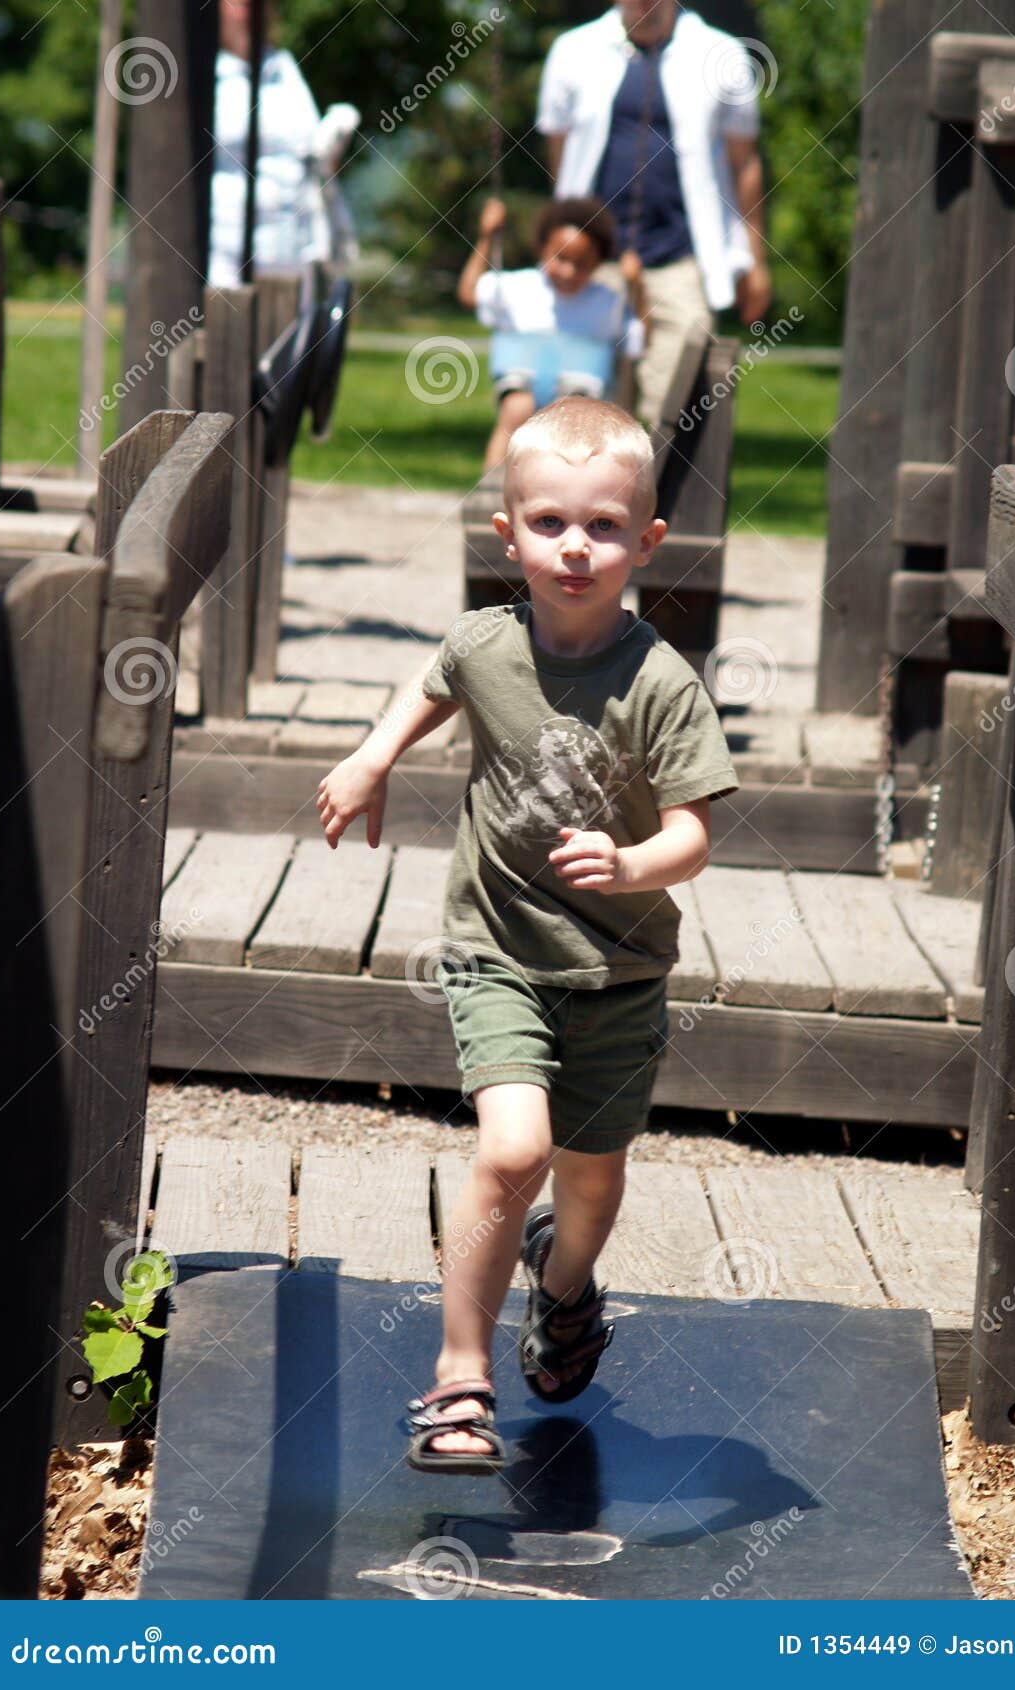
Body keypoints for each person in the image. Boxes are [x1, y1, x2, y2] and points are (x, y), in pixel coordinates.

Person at [314, 397, 738, 1472]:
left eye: (603, 527)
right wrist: (373, 757)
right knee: (513, 1151)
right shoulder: (488, 643)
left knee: (591, 1179)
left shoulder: (660, 681)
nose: (576, 547)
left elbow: (694, 830)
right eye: (549, 523)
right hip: (498, 949)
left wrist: (636, 864)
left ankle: (563, 1289)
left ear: (646, 542)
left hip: (619, 969)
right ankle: (461, 1375)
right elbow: (435, 680)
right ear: (509, 535)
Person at [537, 1, 773, 424]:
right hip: (594, 265)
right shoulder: (573, 50)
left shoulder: (720, 53)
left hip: (681, 261)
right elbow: (559, 153)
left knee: (679, 403)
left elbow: (745, 162)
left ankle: (661, 489)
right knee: (585, 405)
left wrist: (755, 259)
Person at [457, 194, 647, 469]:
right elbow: (468, 292)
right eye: (560, 258)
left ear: (598, 263)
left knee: (568, 420)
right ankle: (494, 484)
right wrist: (487, 238)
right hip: (522, 381)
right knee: (517, 409)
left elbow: (640, 338)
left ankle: (564, 488)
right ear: (542, 249)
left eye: (580, 264)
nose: (568, 271)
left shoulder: (606, 301)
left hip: (579, 388)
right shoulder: (521, 286)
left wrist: (637, 286)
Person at [209, 0, 358, 293]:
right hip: (224, 258)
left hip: (292, 254)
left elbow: (313, 160)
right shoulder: (207, 74)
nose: (244, 11)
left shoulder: (285, 70)